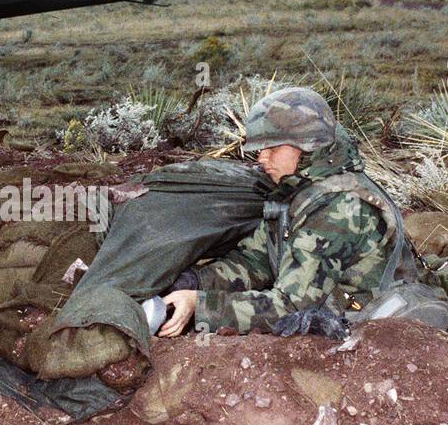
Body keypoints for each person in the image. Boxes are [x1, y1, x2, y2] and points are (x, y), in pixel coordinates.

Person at [157, 86, 399, 338]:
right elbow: (254, 261)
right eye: (261, 148)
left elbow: (291, 308)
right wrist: (195, 282)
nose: (262, 158)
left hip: (364, 325)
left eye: (272, 148)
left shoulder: (338, 210)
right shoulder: (298, 190)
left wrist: (201, 306)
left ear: (308, 146)